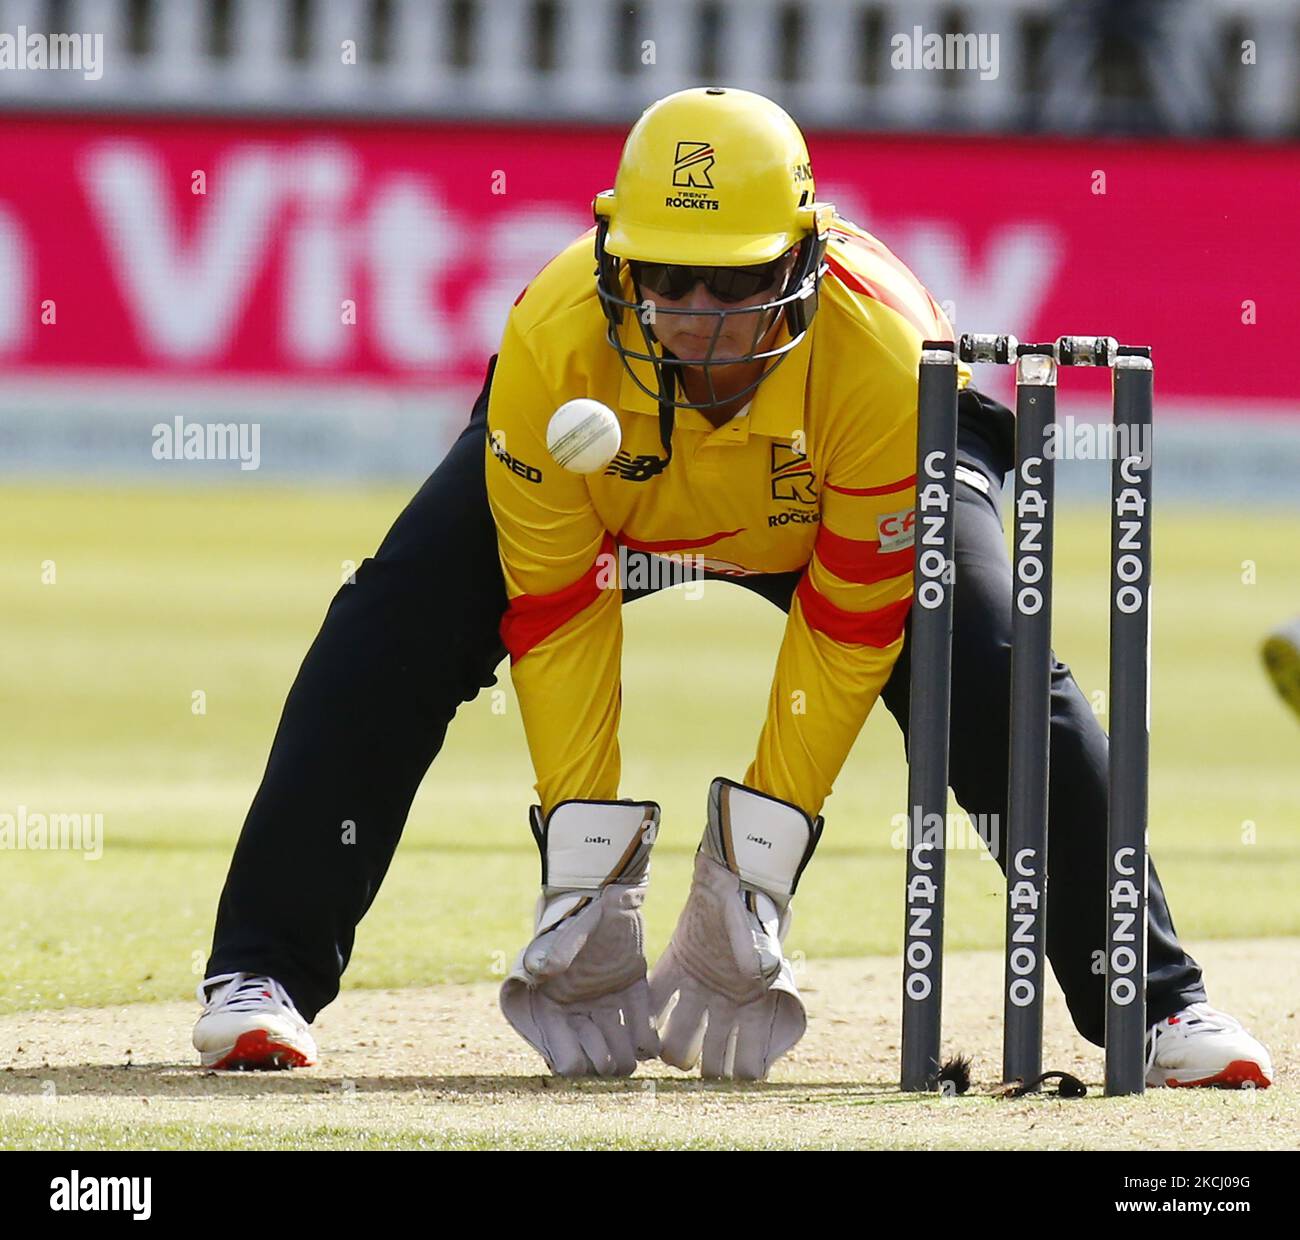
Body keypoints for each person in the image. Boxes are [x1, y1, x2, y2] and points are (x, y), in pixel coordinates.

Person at [193, 86, 1272, 1088]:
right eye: (667, 279)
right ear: (621, 258)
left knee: (990, 661)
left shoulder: (884, 354)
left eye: (737, 280)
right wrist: (588, 874)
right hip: (615, 497)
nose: (698, 315)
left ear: (800, 256)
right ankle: (262, 975)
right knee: (386, 627)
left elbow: (848, 625)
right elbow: (557, 613)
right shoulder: (551, 338)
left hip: (845, 491)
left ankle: (1156, 1002)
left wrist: (748, 874)